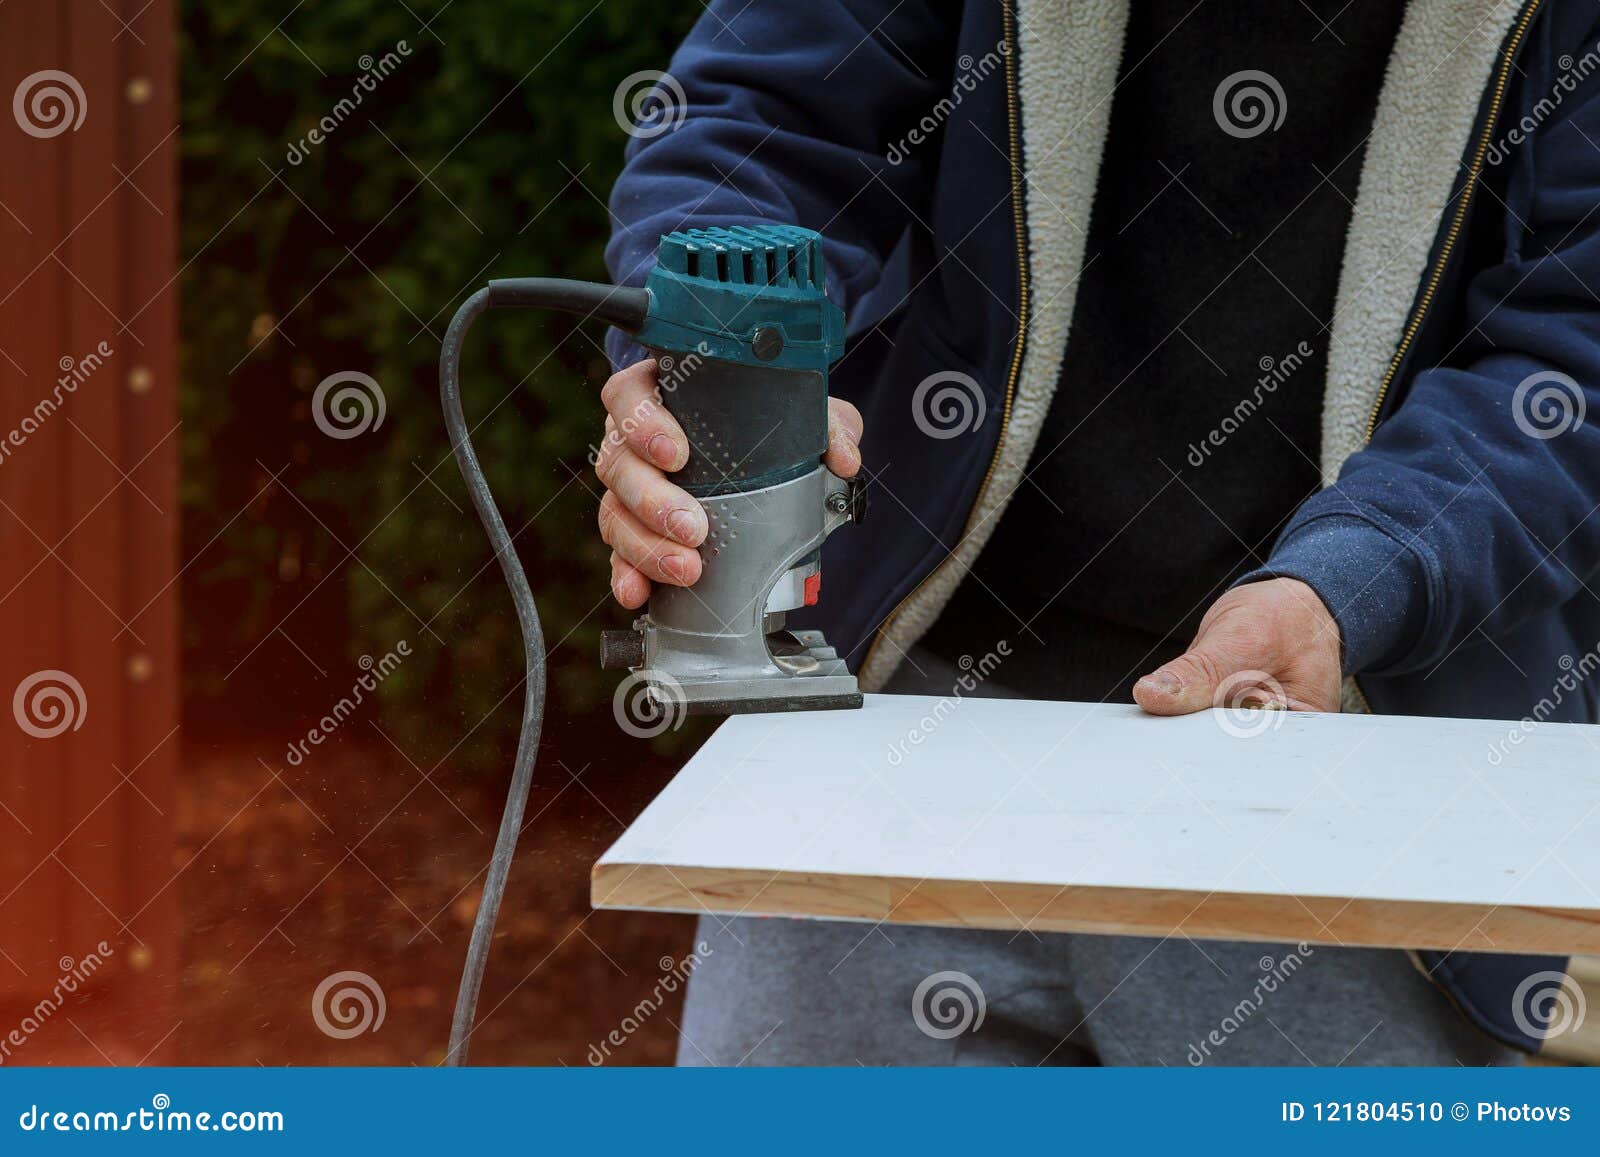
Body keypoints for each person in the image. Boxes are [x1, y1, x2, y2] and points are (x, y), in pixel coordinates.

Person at [592, 1, 1600, 1065]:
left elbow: (1571, 352)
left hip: (1337, 772)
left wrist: (1356, 577)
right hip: (900, 736)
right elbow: (760, 116)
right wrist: (710, 378)